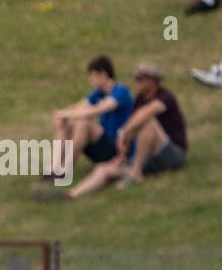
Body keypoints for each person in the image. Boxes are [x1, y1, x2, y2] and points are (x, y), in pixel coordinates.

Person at [68, 64, 189, 197]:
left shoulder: (165, 97)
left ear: (152, 81)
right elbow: (134, 124)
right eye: (136, 78)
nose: (136, 81)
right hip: (148, 157)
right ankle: (72, 194)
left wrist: (124, 133)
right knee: (104, 169)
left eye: (140, 79)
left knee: (148, 121)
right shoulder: (139, 99)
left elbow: (147, 113)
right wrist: (122, 154)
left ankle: (136, 173)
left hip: (172, 152)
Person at [46, 56, 135, 182]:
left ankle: (66, 170)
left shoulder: (121, 92)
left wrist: (67, 114)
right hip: (103, 146)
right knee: (68, 122)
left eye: (92, 76)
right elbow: (80, 106)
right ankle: (53, 169)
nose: (90, 80)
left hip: (118, 150)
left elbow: (100, 109)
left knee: (84, 122)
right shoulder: (98, 93)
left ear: (103, 74)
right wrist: (62, 115)